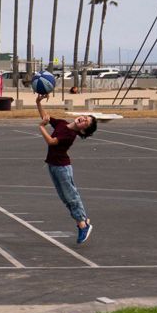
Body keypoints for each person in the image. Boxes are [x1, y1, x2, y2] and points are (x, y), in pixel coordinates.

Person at [36, 94, 96, 244]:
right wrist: (38, 102)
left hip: (62, 168)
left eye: (86, 123)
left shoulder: (70, 135)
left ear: (83, 130)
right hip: (53, 166)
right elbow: (46, 117)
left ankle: (82, 224)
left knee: (71, 196)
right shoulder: (63, 124)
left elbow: (51, 141)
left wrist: (41, 127)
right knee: (65, 198)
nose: (83, 119)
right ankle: (82, 221)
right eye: (85, 117)